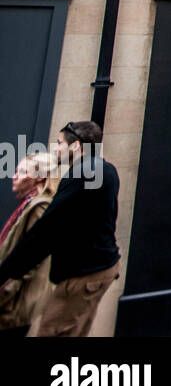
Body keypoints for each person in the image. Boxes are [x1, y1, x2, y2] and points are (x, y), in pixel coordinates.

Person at [0, 121, 120, 337]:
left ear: (75, 147)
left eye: (59, 143)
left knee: (51, 331)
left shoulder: (80, 175)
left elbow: (44, 233)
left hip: (83, 275)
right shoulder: (105, 170)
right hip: (100, 270)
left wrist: (5, 273)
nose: (55, 149)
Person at [0, 153, 57, 335]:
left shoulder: (40, 207)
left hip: (14, 302)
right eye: (16, 170)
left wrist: (6, 291)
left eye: (23, 171)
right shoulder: (28, 204)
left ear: (38, 177)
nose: (15, 175)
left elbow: (32, 257)